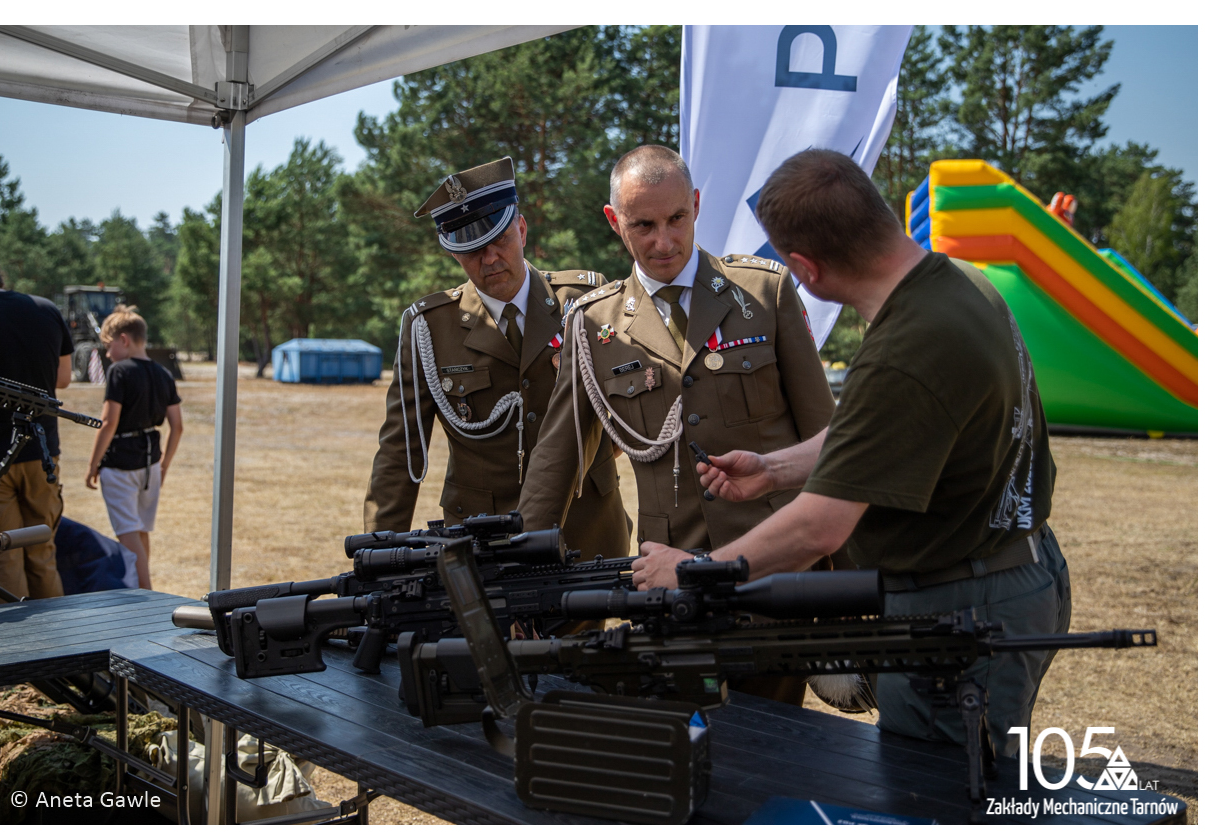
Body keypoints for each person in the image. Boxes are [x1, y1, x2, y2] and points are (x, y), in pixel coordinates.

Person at [633, 148, 1070, 758]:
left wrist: (693, 573)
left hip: (962, 609)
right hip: (1004, 577)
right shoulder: (956, 284)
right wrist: (774, 467)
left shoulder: (905, 348)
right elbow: (881, 433)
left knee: (945, 801)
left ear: (805, 270)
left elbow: (820, 527)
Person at [517, 145, 837, 703]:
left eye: (676, 220)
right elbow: (556, 460)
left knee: (781, 744)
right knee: (680, 748)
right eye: (643, 225)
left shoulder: (764, 293)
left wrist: (849, 587)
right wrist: (518, 576)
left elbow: (827, 443)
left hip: (774, 574)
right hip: (668, 584)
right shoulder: (596, 324)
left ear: (695, 205)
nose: (664, 242)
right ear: (615, 223)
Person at [364, 157, 631, 561]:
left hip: (586, 529)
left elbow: (628, 411)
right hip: (480, 541)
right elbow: (399, 457)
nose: (489, 259)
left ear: (521, 229)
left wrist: (586, 462)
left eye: (500, 241)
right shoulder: (429, 330)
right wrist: (378, 556)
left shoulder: (585, 304)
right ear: (453, 254)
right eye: (471, 250)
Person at [85, 306, 183, 590]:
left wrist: (93, 464)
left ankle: (145, 596)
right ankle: (143, 588)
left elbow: (109, 422)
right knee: (140, 531)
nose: (106, 354)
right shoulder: (164, 373)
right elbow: (177, 426)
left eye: (108, 346)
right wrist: (164, 465)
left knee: (127, 534)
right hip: (151, 463)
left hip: (121, 464)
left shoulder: (119, 371)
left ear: (124, 339)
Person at [0, 274, 74, 601]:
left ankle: (19, 648)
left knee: (4, 554)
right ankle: (55, 642)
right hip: (42, 452)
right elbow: (64, 378)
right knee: (43, 551)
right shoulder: (46, 309)